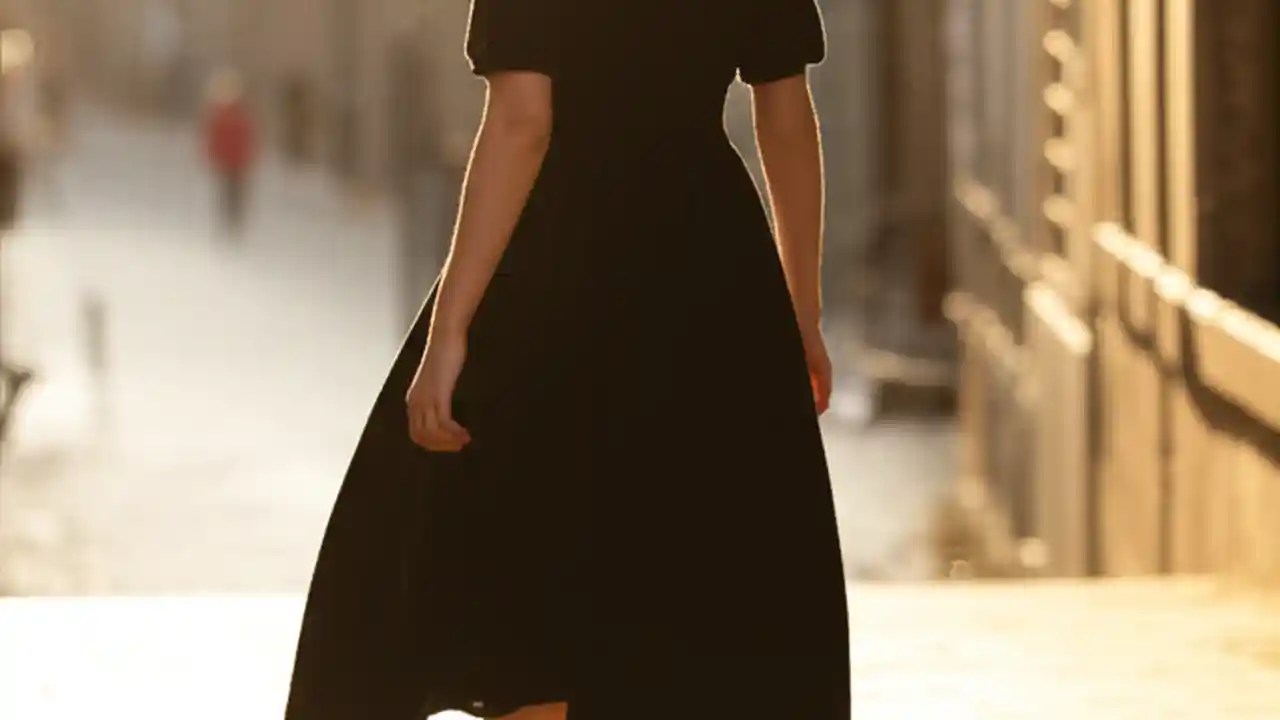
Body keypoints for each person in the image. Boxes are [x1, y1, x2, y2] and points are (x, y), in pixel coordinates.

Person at [284, 1, 849, 719]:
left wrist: (451, 329)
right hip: (709, 265)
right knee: (689, 566)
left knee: (527, 574)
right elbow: (786, 115)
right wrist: (800, 312)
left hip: (559, 263)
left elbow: (524, 123)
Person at [202, 70, 256, 236]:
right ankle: (228, 223)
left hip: (237, 161)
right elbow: (213, 137)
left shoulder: (239, 114)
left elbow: (248, 137)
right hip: (228, 161)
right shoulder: (221, 114)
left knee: (234, 194)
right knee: (228, 193)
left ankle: (234, 223)